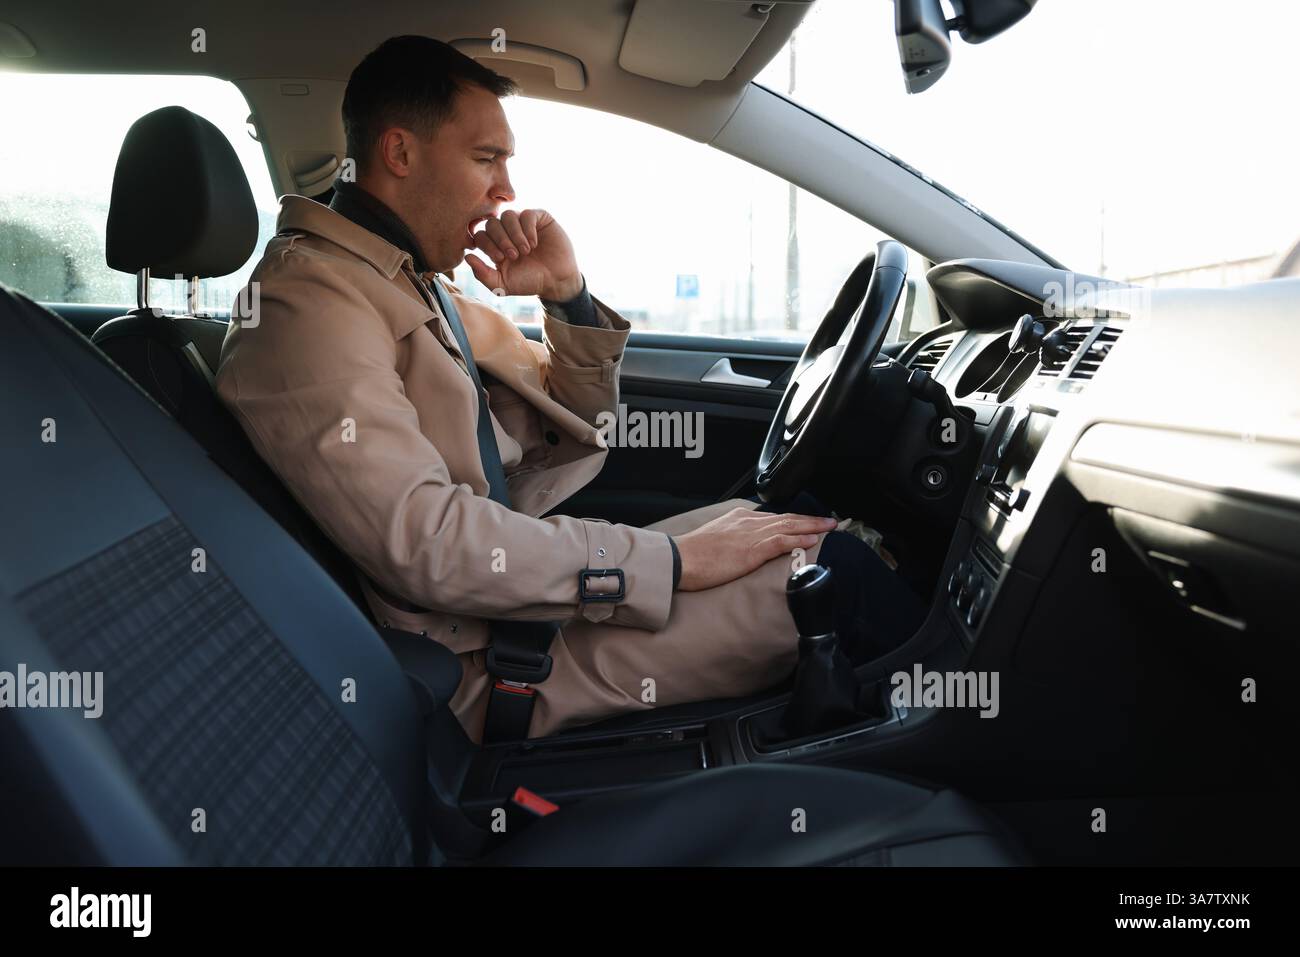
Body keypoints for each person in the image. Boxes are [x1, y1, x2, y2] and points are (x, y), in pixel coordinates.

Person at [216, 35, 922, 743]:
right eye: (486, 158)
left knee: (780, 519)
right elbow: (427, 542)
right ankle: (971, 774)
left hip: (504, 603)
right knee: (835, 572)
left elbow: (566, 433)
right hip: (475, 661)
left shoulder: (407, 282)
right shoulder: (309, 303)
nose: (506, 190)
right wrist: (673, 562)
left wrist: (568, 299)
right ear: (401, 154)